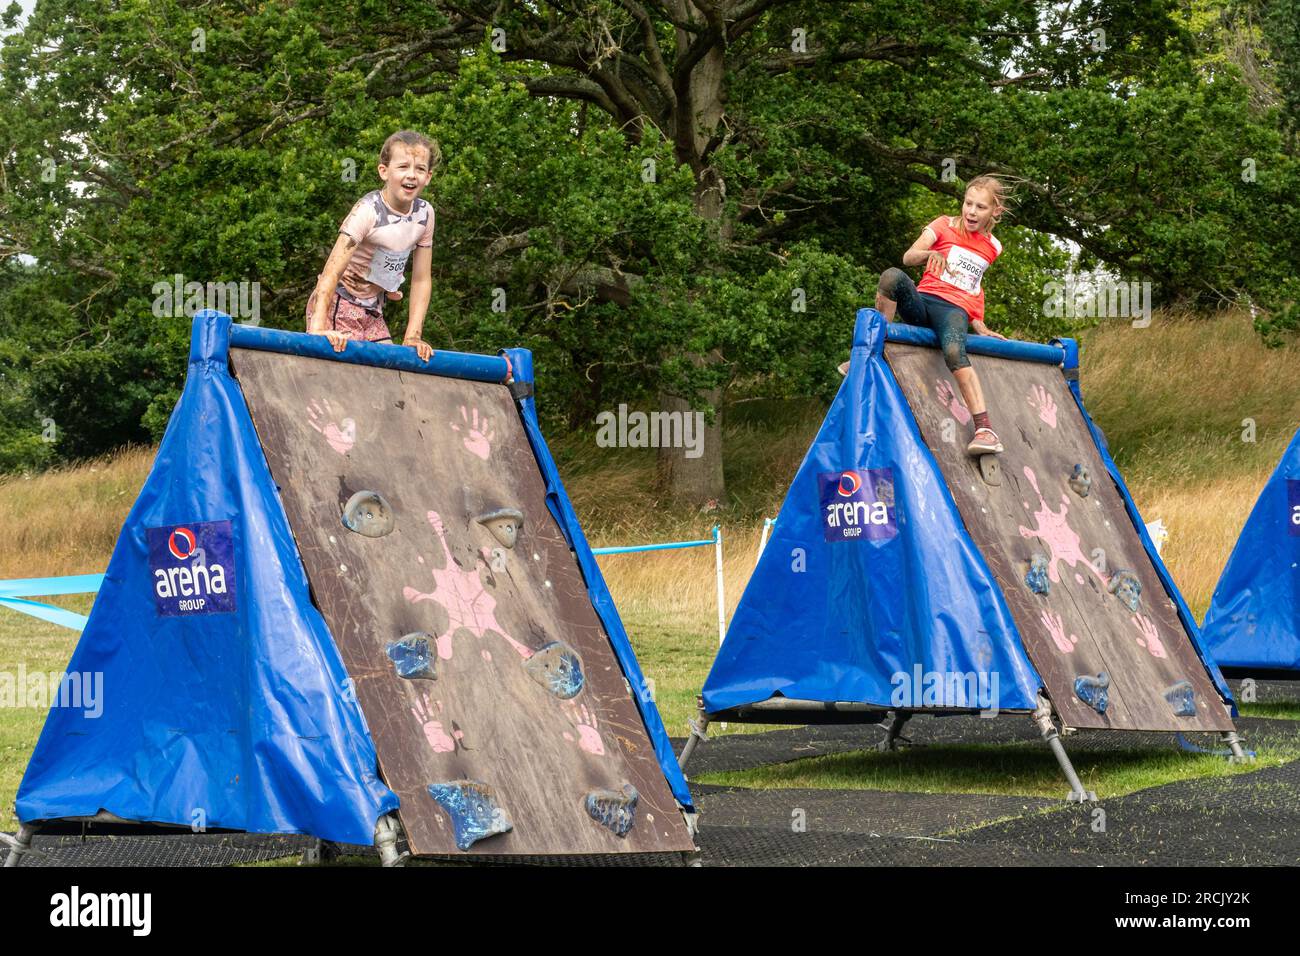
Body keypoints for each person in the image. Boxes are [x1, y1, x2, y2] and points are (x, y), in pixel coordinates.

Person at [876, 175, 1011, 455]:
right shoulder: (943, 225)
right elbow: (907, 256)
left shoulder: (993, 247)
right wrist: (928, 254)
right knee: (891, 278)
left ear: (995, 212)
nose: (971, 212)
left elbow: (973, 287)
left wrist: (980, 324)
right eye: (968, 203)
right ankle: (873, 351)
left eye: (980, 207)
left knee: (953, 352)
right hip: (923, 301)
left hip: (952, 310)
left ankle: (985, 430)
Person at [306, 130, 438, 362]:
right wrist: (318, 327)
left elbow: (421, 279)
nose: (411, 175)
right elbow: (331, 271)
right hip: (339, 303)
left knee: (391, 369)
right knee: (350, 376)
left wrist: (413, 336)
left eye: (419, 169)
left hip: (372, 309)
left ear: (428, 176)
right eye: (403, 166)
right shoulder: (368, 211)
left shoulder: (424, 214)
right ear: (384, 171)